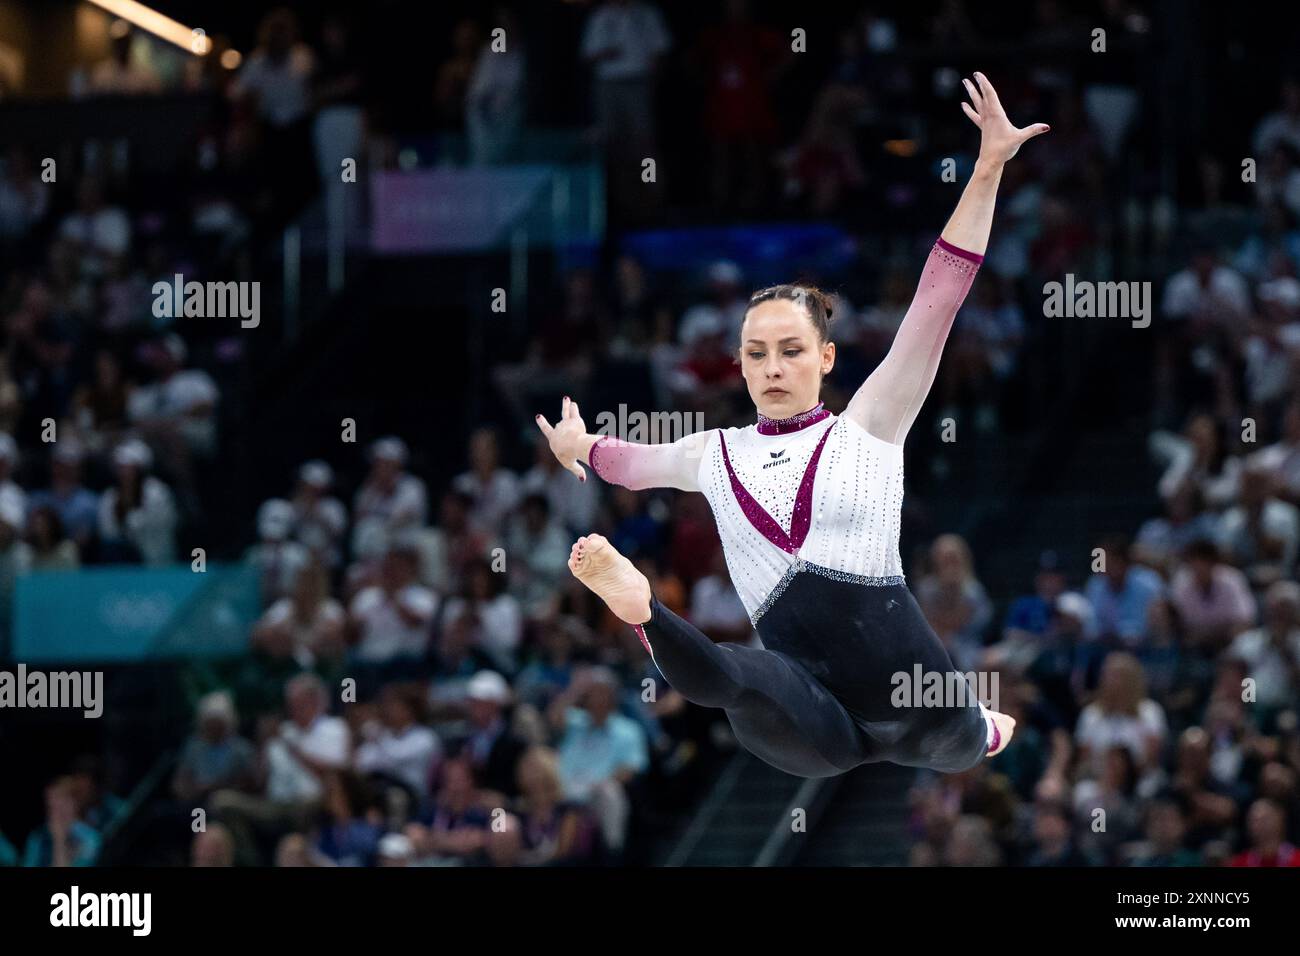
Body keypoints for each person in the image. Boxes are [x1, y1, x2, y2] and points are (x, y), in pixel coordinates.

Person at [536, 72, 1046, 777]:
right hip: (811, 716)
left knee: (958, 740)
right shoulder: (710, 453)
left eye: (791, 350)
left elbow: (939, 296)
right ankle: (641, 611)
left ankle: (982, 727)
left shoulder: (869, 424)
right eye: (756, 353)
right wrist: (580, 445)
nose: (773, 366)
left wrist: (987, 168)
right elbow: (630, 461)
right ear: (740, 366)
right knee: (736, 679)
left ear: (826, 357)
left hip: (913, 699)